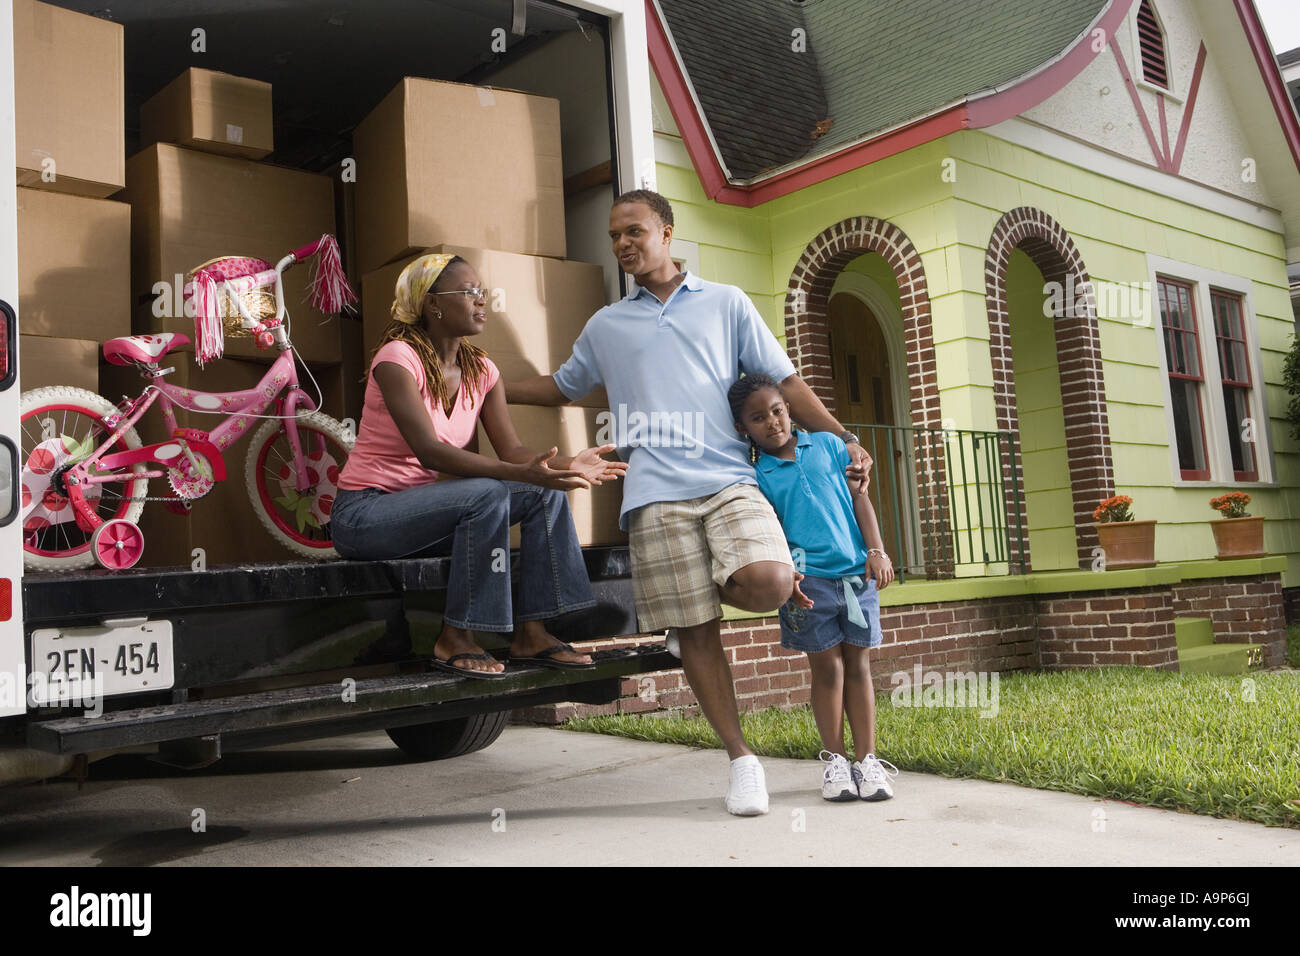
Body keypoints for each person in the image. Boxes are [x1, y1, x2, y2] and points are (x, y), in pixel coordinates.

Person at [507, 189, 872, 815]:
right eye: (615, 234)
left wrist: (844, 438)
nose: (623, 243)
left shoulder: (727, 304)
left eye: (635, 231)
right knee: (700, 631)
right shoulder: (606, 325)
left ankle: (691, 609)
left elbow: (784, 381)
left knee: (772, 580)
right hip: (653, 495)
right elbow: (562, 385)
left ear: (667, 233)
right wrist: (486, 379)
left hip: (731, 479)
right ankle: (742, 761)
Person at [331, 253, 627, 678]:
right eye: (470, 293)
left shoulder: (482, 370)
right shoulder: (397, 359)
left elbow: (513, 452)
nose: (482, 301)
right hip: (365, 514)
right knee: (488, 491)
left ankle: (533, 632)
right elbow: (431, 451)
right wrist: (517, 474)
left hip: (427, 512)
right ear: (433, 304)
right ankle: (456, 636)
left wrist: (561, 466)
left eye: (483, 293)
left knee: (543, 492)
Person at [729, 373, 900, 801]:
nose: (772, 422)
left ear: (789, 410)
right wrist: (788, 576)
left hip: (855, 577)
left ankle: (868, 761)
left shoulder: (828, 445)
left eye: (777, 410)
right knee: (826, 669)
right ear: (742, 429)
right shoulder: (758, 476)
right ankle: (836, 763)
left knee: (859, 667)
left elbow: (860, 497)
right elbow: (769, 533)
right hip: (808, 584)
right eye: (758, 418)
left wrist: (876, 550)